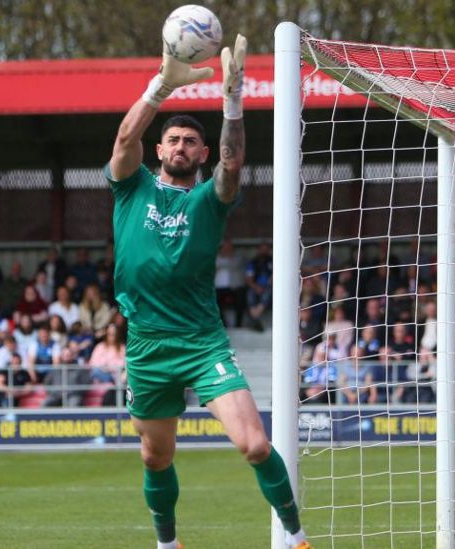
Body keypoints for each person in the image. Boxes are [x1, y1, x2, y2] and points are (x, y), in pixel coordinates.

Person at [106, 34, 309, 549]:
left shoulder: (209, 200)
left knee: (256, 444)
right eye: (173, 140)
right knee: (156, 457)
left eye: (190, 142)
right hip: (147, 345)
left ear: (201, 153)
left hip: (201, 342)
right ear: (160, 149)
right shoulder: (134, 187)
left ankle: (297, 537)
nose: (180, 146)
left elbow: (234, 163)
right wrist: (159, 87)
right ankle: (167, 544)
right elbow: (124, 141)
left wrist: (232, 99)